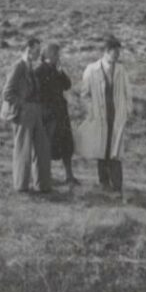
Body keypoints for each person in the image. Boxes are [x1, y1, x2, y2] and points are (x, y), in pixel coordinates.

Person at [79, 35, 133, 196]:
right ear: (107, 51)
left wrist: (127, 111)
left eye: (118, 53)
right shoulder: (92, 70)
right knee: (101, 150)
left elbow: (128, 93)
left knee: (115, 152)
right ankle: (104, 183)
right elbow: (84, 94)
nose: (117, 56)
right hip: (100, 117)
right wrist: (91, 112)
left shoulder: (121, 70)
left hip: (117, 116)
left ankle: (117, 186)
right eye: (115, 53)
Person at [0, 38, 52, 195]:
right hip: (24, 113)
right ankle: (21, 185)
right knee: (23, 150)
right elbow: (7, 93)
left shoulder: (30, 68)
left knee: (42, 150)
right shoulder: (18, 67)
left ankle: (42, 185)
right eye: (36, 51)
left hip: (35, 111)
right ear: (28, 50)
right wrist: (22, 105)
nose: (39, 54)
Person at [35, 42, 78, 187]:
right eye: (55, 54)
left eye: (58, 54)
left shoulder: (57, 70)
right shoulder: (39, 71)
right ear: (48, 55)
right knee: (48, 145)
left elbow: (67, 85)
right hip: (48, 114)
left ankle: (69, 175)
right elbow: (37, 92)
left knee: (66, 144)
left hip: (60, 113)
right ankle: (47, 176)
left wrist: (60, 72)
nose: (58, 57)